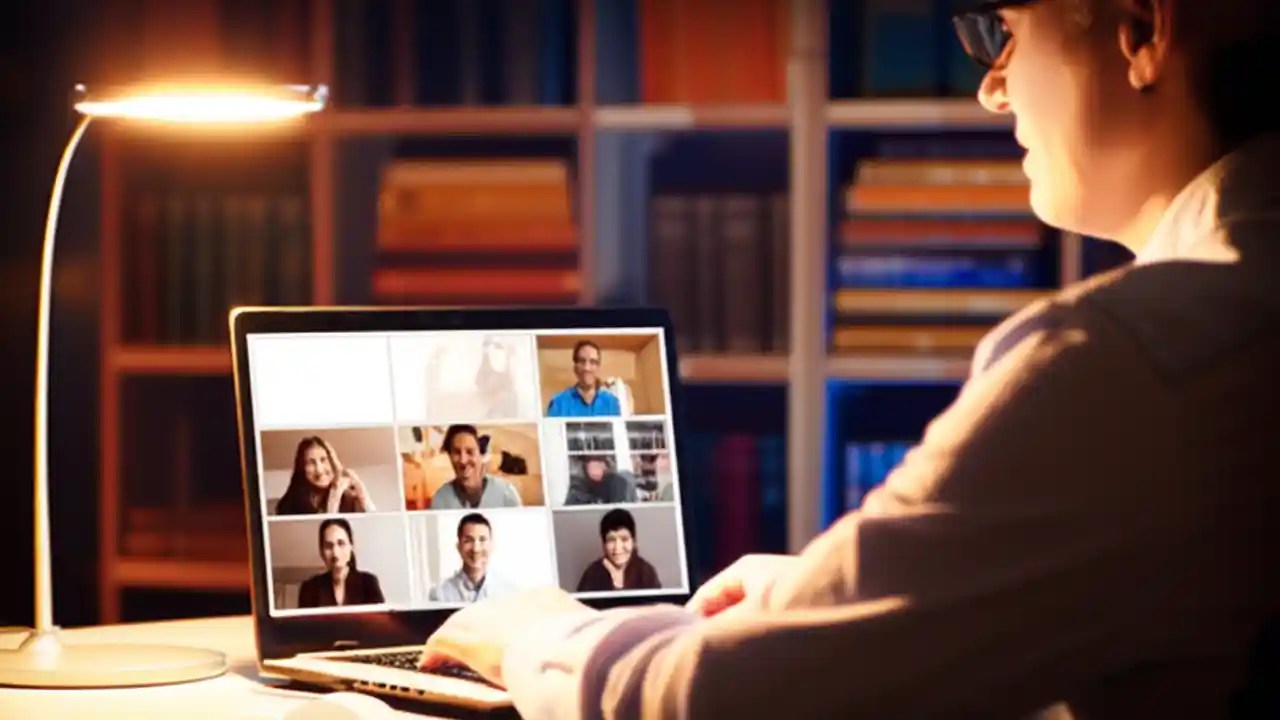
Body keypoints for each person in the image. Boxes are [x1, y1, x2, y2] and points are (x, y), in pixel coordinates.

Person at [417, 1, 1280, 717]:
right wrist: (841, 609)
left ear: (1140, 28)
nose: (991, 86)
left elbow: (719, 706)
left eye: (1002, 27)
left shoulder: (1123, 369)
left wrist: (530, 633)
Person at [296, 518, 385, 608]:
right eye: (328, 546)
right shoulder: (310, 588)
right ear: (321, 551)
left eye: (341, 543)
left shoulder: (368, 582)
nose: (335, 553)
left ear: (351, 547)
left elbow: (380, 620)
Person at [275, 436, 375, 515]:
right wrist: (334, 498)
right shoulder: (288, 506)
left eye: (323, 460)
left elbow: (374, 522)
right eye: (311, 463)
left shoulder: (349, 500)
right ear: (302, 468)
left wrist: (361, 490)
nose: (319, 470)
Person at [429, 424, 522, 509]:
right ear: (450, 456)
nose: (463, 460)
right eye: (457, 453)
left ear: (481, 455)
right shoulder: (440, 500)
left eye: (470, 452)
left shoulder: (506, 494)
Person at [429, 513, 510, 603]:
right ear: (459, 547)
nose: (476, 549)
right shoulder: (440, 594)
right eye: (468, 541)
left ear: (491, 546)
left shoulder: (508, 593)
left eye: (482, 540)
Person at [575, 509, 661, 592]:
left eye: (624, 539)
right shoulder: (592, 573)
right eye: (611, 540)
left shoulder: (646, 571)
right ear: (603, 544)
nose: (617, 547)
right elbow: (579, 606)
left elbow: (659, 605)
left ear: (634, 541)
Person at [545, 340, 622, 417]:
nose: (587, 368)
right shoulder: (558, 403)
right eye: (582, 361)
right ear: (575, 368)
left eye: (592, 362)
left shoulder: (611, 402)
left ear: (598, 367)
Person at [563, 455, 637, 506]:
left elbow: (619, 510)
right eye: (589, 461)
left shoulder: (618, 482)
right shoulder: (577, 486)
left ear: (605, 465)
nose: (593, 465)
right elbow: (568, 514)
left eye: (598, 460)